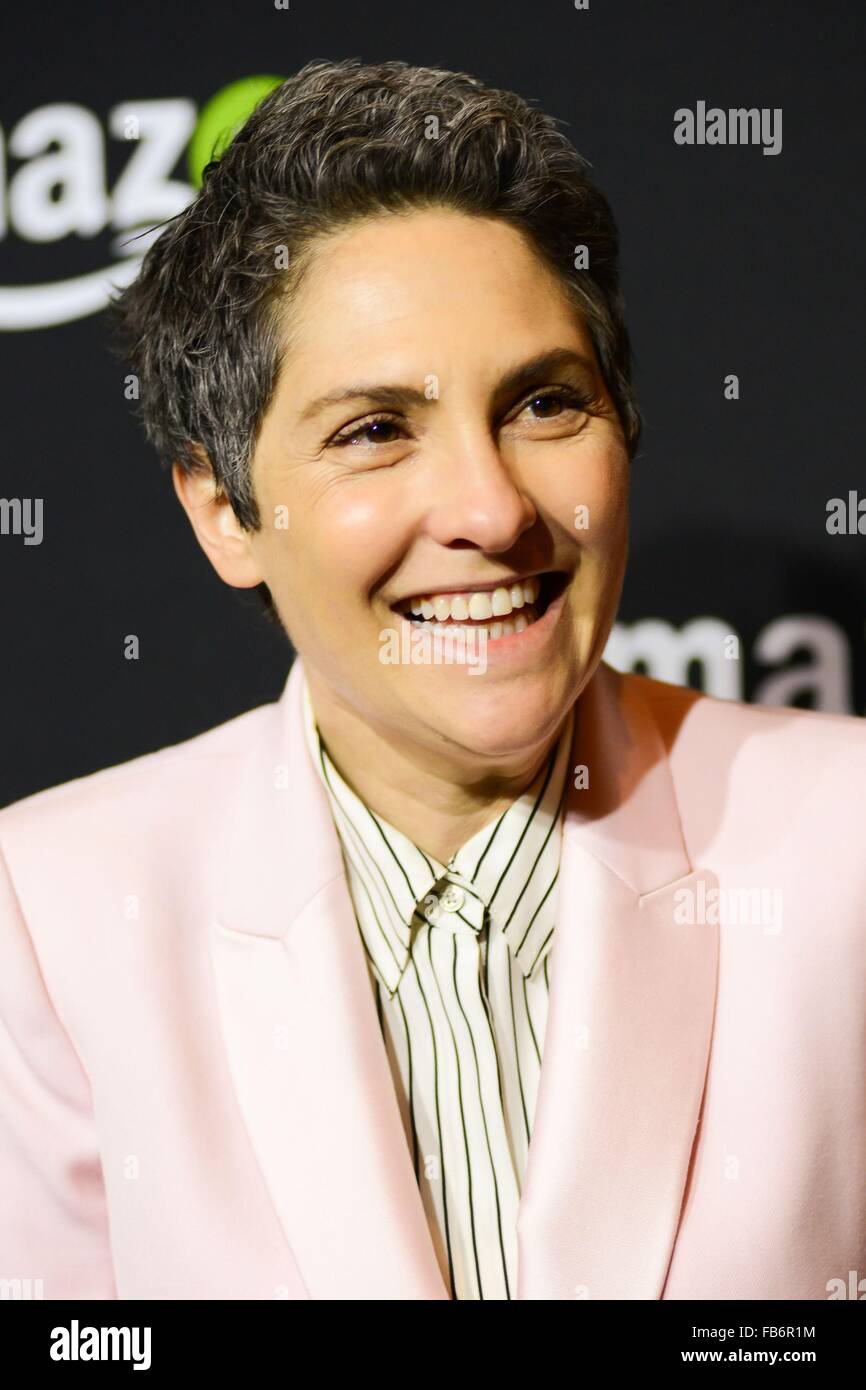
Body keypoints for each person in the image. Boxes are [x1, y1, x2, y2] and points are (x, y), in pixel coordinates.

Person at [1, 57, 863, 1302]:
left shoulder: (840, 847)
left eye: (543, 403)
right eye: (373, 430)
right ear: (223, 509)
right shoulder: (55, 916)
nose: (490, 508)